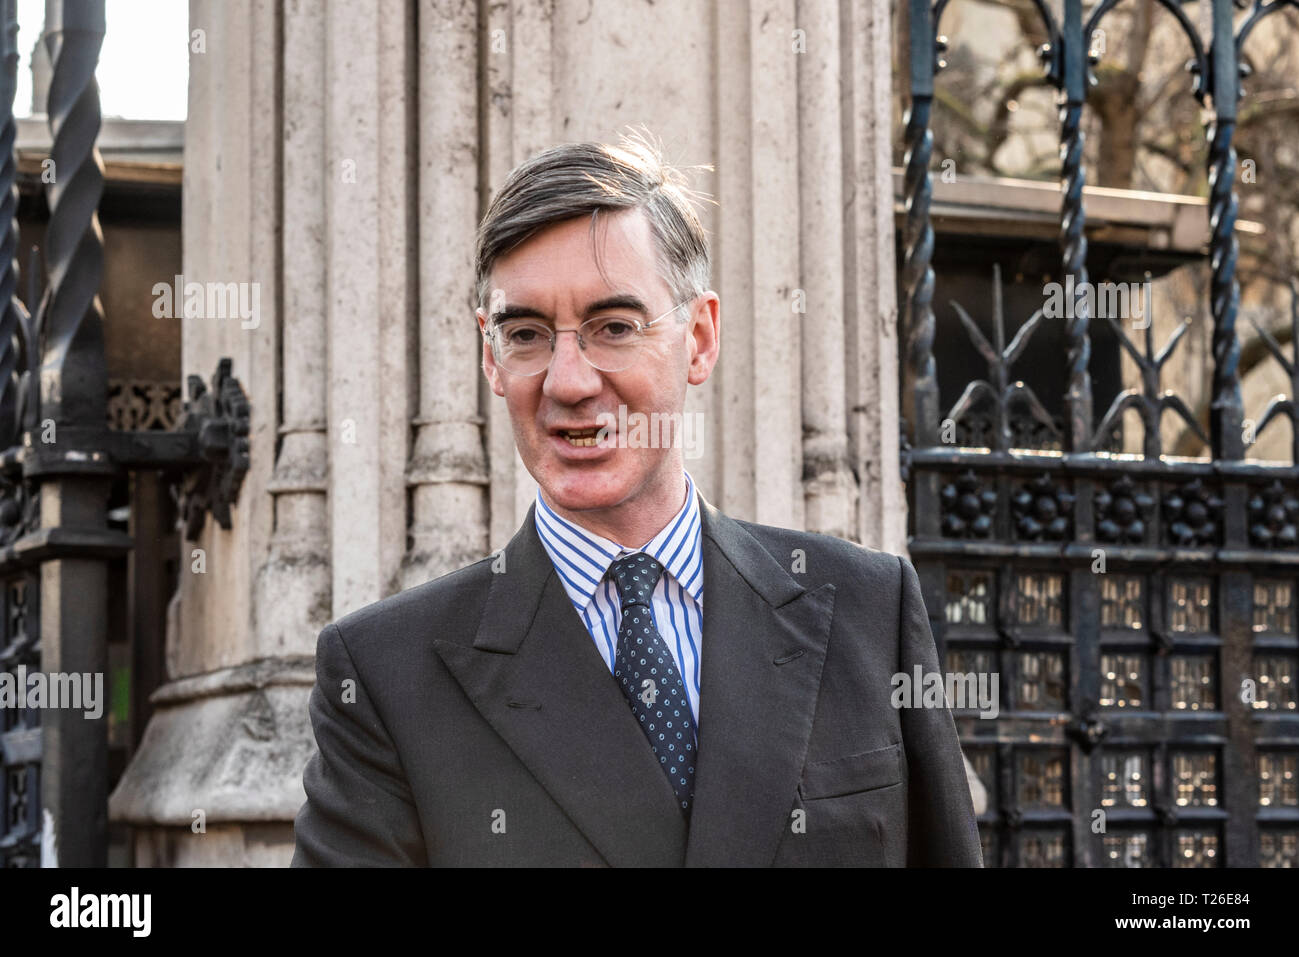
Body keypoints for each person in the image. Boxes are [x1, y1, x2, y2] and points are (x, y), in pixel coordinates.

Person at [291, 132, 982, 867]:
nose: (568, 381)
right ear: (492, 359)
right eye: (525, 333)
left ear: (701, 337)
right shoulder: (385, 673)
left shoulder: (868, 610)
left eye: (613, 327)